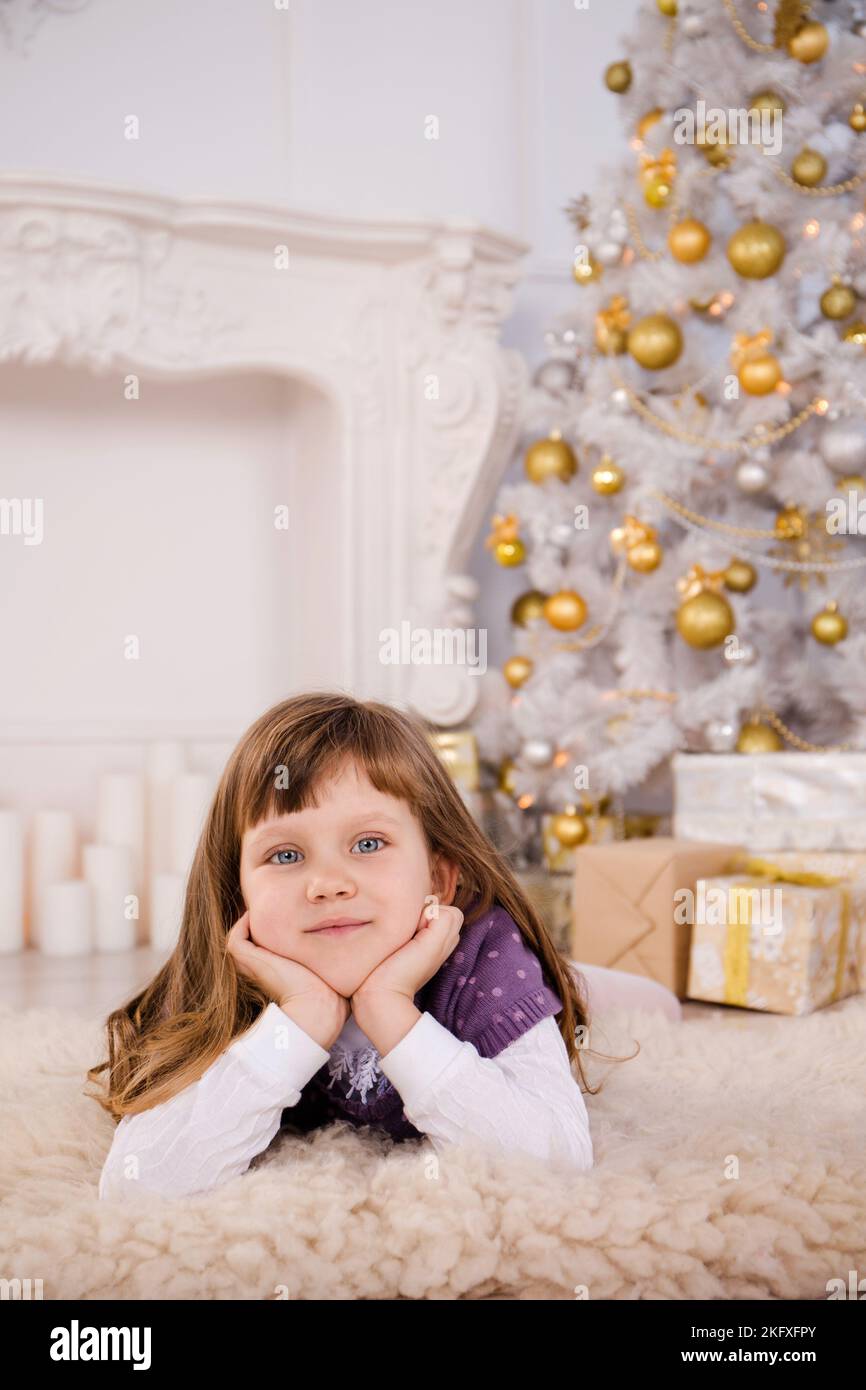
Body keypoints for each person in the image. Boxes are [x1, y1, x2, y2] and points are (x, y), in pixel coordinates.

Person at [90, 691, 667, 1202]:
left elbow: (558, 1162)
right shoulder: (227, 974)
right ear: (236, 889)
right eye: (286, 855)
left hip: (468, 958)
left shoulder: (485, 958)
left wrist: (392, 1010)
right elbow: (138, 1185)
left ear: (439, 880)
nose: (329, 883)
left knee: (646, 1002)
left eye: (368, 843)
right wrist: (303, 1019)